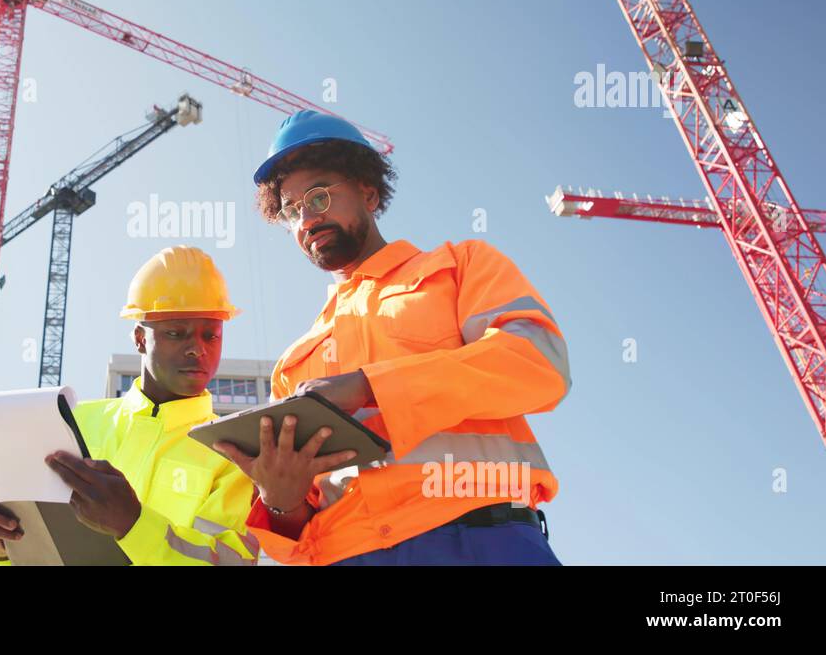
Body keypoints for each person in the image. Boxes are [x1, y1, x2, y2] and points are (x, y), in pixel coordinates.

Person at [215, 110, 571, 566]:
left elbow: (538, 363)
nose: (305, 219)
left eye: (319, 196)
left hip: (483, 539)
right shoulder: (293, 366)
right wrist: (280, 500)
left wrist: (369, 385)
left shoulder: (460, 267)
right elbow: (298, 525)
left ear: (368, 191)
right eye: (291, 209)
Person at [0, 245, 260, 566]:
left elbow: (233, 562)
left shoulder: (233, 454)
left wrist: (134, 525)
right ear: (140, 338)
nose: (197, 349)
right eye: (177, 333)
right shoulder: (73, 423)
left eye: (212, 335)